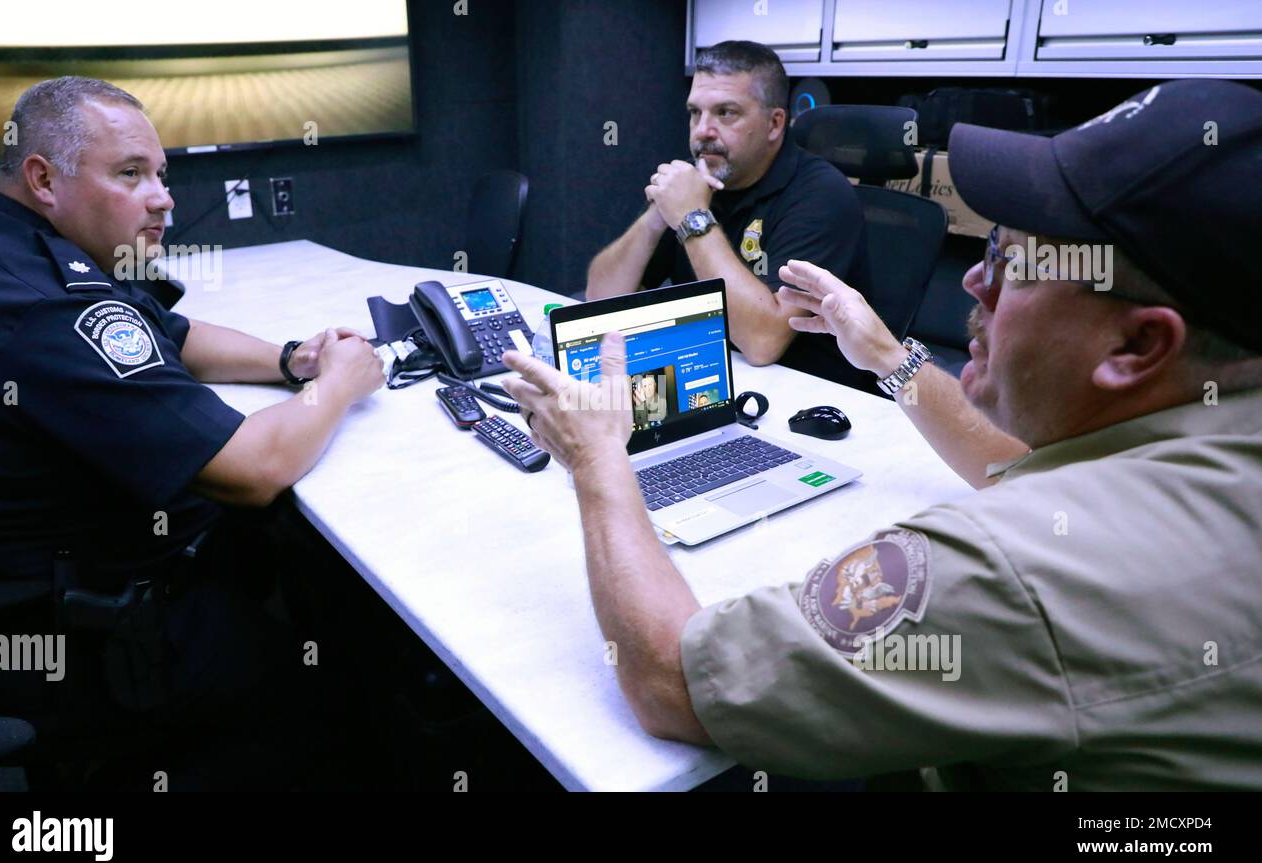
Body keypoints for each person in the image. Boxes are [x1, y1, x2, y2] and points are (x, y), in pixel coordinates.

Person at [503, 79, 1262, 790]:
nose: (976, 281)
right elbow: (1022, 468)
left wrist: (600, 454)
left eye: (1016, 262)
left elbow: (673, 682)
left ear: (1136, 348)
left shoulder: (1017, 567)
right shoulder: (1211, 433)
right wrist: (889, 359)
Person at [0, 77, 385, 784]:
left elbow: (169, 330)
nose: (163, 197)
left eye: (161, 174)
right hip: (67, 637)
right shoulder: (44, 307)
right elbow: (253, 469)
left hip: (37, 586)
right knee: (331, 679)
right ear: (44, 178)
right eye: (131, 174)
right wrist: (341, 379)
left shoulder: (16, 243)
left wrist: (289, 360)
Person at [584, 40, 873, 386]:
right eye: (695, 112)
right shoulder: (698, 182)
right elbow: (599, 302)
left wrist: (693, 218)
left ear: (775, 124)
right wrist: (656, 216)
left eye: (726, 113)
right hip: (708, 377)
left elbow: (762, 342)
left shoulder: (822, 195)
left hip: (805, 399)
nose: (703, 130)